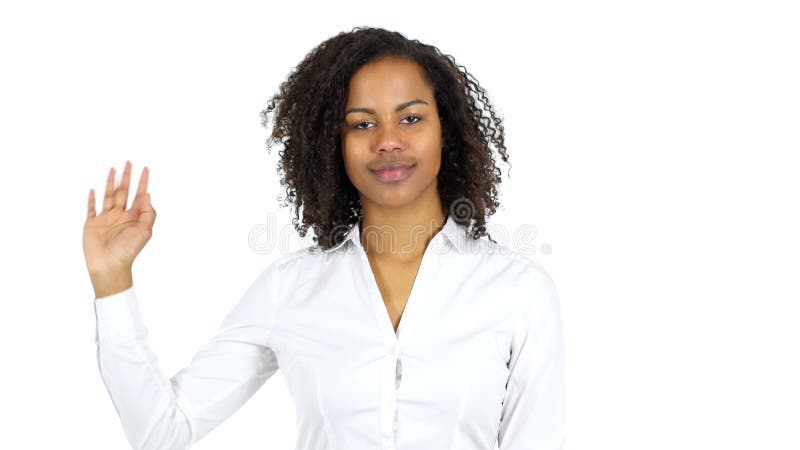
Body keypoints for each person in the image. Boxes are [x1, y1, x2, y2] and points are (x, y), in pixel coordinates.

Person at [83, 26, 565, 450]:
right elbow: (161, 431)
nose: (387, 140)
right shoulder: (291, 288)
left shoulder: (518, 292)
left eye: (411, 118)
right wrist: (112, 279)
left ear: (447, 132)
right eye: (362, 123)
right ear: (332, 144)